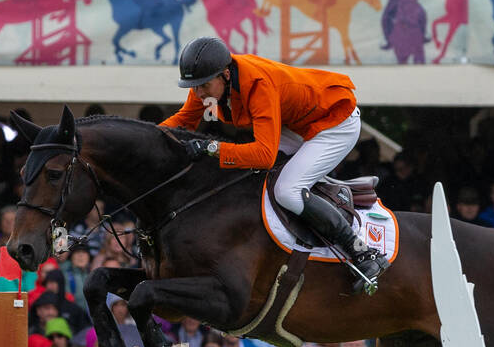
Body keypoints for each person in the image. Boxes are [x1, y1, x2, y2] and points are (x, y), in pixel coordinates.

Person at [160, 37, 386, 293]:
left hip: (335, 123)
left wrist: (212, 148)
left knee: (287, 191)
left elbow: (264, 155)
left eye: (204, 85)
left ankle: (362, 252)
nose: (199, 93)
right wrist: (141, 137)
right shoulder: (211, 83)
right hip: (297, 124)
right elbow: (184, 121)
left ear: (225, 74)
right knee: (253, 176)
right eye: (194, 86)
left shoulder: (257, 85)